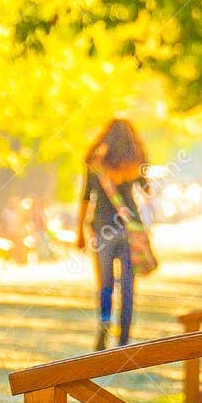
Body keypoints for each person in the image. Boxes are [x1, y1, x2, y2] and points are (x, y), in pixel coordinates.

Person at [76, 119, 150, 350]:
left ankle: (104, 326)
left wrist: (79, 233)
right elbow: (146, 189)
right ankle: (124, 340)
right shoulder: (134, 162)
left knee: (105, 284)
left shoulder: (95, 163)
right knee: (128, 287)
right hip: (129, 229)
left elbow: (86, 198)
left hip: (103, 229)